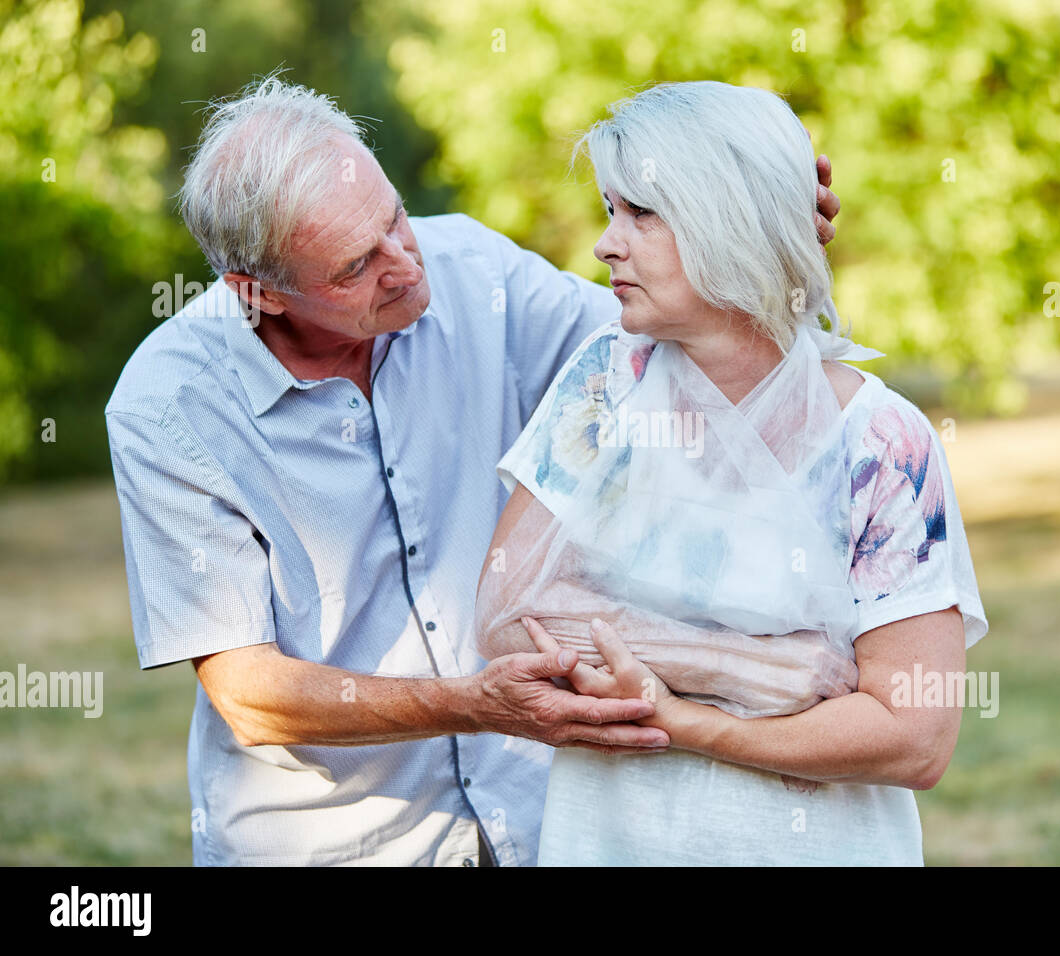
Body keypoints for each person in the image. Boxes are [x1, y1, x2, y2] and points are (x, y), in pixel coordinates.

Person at [104, 75, 843, 865]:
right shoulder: (169, 405)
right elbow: (249, 693)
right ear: (258, 294)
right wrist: (476, 705)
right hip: (335, 842)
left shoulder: (476, 270)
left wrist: (752, 244)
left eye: (393, 219)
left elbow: (673, 352)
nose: (405, 265)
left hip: (534, 818)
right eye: (355, 267)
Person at [476, 81, 988, 865]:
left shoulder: (881, 441)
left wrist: (685, 720)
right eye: (612, 212)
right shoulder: (605, 383)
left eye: (640, 214)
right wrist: (761, 664)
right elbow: (508, 615)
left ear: (732, 221)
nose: (606, 245)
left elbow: (913, 736)